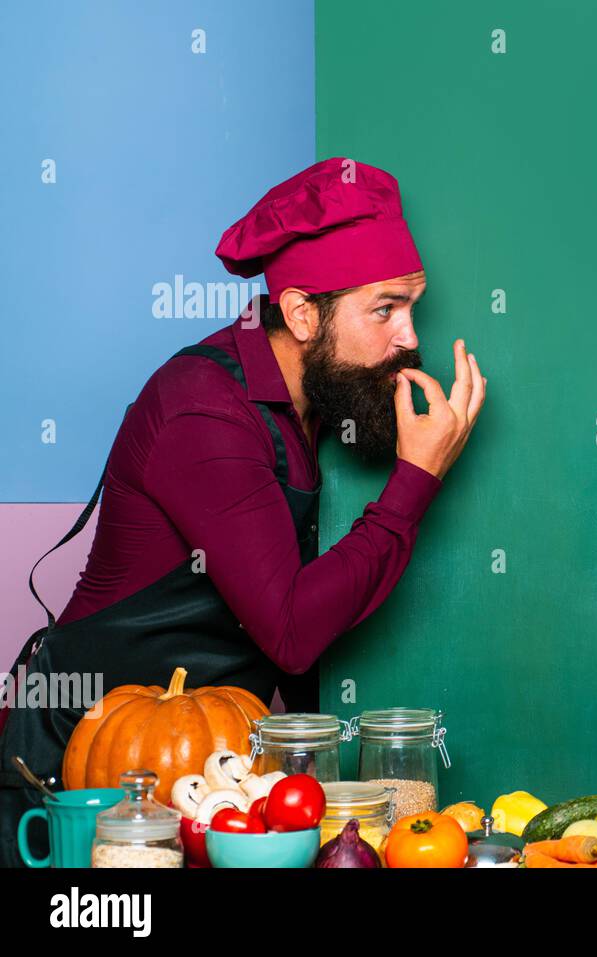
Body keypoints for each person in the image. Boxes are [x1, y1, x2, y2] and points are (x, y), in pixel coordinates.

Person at [0, 158, 485, 867]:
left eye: (411, 305)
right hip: (85, 777)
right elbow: (289, 630)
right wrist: (416, 476)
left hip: (211, 781)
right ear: (300, 312)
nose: (410, 336)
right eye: (384, 309)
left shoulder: (309, 402)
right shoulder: (204, 408)